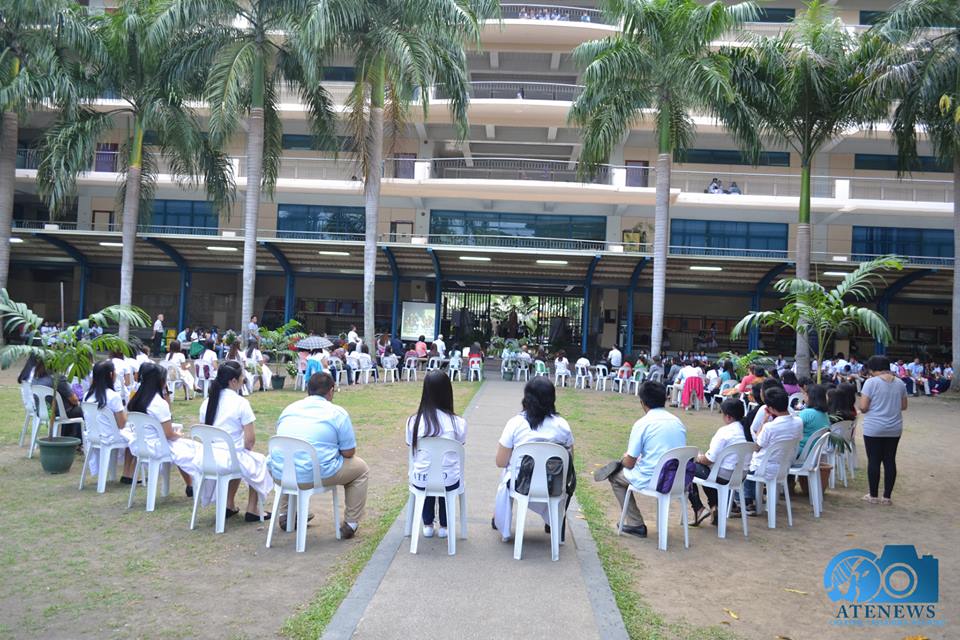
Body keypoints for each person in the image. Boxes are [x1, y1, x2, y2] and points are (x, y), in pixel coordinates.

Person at [270, 372, 369, 538]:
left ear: (308, 390)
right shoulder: (337, 413)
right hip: (315, 474)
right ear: (331, 391)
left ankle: (286, 514)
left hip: (279, 473)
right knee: (361, 470)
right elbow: (349, 452)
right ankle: (351, 523)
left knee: (290, 461)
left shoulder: (289, 409)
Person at [596, 381, 687, 538]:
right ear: (665, 398)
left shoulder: (643, 424)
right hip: (677, 479)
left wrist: (623, 461)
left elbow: (630, 462)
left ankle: (635, 523)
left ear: (642, 402)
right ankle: (636, 523)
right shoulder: (677, 422)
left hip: (652, 478)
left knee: (615, 478)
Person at [493, 377, 575, 541]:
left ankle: (500, 518)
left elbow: (500, 461)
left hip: (521, 485)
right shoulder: (562, 425)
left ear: (526, 398)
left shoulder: (516, 423)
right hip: (553, 485)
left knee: (507, 472)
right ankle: (551, 519)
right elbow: (569, 460)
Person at [198, 362, 270, 521]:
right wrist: (243, 450)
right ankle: (252, 509)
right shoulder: (240, 403)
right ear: (233, 381)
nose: (244, 379)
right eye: (242, 377)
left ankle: (228, 504)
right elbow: (250, 440)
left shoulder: (207, 402)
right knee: (259, 460)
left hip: (208, 457)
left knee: (240, 458)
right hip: (229, 457)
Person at [406, 371, 467, 539]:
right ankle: (445, 525)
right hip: (449, 480)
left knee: (427, 472)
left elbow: (410, 447)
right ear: (448, 392)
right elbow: (459, 446)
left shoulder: (413, 421)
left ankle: (427, 523)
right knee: (443, 472)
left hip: (421, 479)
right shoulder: (458, 423)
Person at [688, 398, 749, 526]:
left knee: (687, 467)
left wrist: (698, 457)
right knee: (707, 472)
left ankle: (698, 508)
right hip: (740, 475)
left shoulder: (724, 432)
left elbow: (709, 459)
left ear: (727, 416)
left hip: (723, 475)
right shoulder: (746, 431)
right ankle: (714, 506)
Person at [742, 387, 802, 514]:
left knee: (743, 466)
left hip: (764, 468)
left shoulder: (770, 427)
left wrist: (764, 421)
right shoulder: (798, 422)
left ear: (770, 408)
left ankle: (746, 500)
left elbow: (757, 446)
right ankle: (753, 500)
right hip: (784, 466)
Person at [859, 356, 907, 505]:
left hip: (874, 427)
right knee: (889, 460)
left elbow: (864, 407)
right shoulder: (900, 383)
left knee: (874, 460)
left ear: (873, 369)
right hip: (894, 427)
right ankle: (887, 497)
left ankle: (873, 495)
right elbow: (904, 406)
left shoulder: (870, 382)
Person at [83, 360, 136, 482]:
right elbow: (122, 424)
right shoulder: (113, 396)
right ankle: (128, 473)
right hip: (110, 436)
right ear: (112, 375)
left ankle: (125, 474)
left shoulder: (87, 395)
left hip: (93, 435)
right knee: (135, 436)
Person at [797, 383, 831, 453]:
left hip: (802, 451)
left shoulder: (806, 413)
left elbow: (793, 430)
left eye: (805, 394)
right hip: (816, 452)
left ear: (809, 396)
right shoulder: (825, 414)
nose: (804, 396)